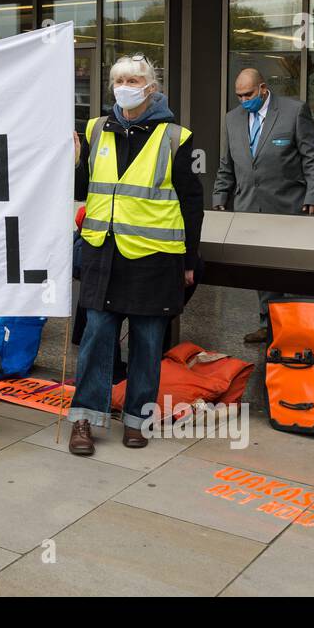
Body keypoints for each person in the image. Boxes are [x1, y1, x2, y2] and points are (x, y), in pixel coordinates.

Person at [69, 55, 203, 454]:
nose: (125, 85)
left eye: (133, 79)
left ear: (151, 87)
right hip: (103, 254)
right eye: (119, 79)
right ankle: (84, 420)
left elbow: (191, 203)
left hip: (154, 257)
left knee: (147, 343)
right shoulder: (95, 129)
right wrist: (75, 161)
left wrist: (190, 261)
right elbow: (83, 184)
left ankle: (136, 420)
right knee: (96, 337)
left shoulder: (175, 137)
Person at [212, 68, 314, 344]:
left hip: (290, 205)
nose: (243, 100)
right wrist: (219, 198)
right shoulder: (232, 119)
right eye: (238, 96)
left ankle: (298, 329)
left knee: (292, 271)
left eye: (248, 94)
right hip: (249, 206)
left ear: (263, 88)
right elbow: (227, 164)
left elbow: (312, 158)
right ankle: (268, 324)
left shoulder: (293, 111)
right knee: (260, 272)